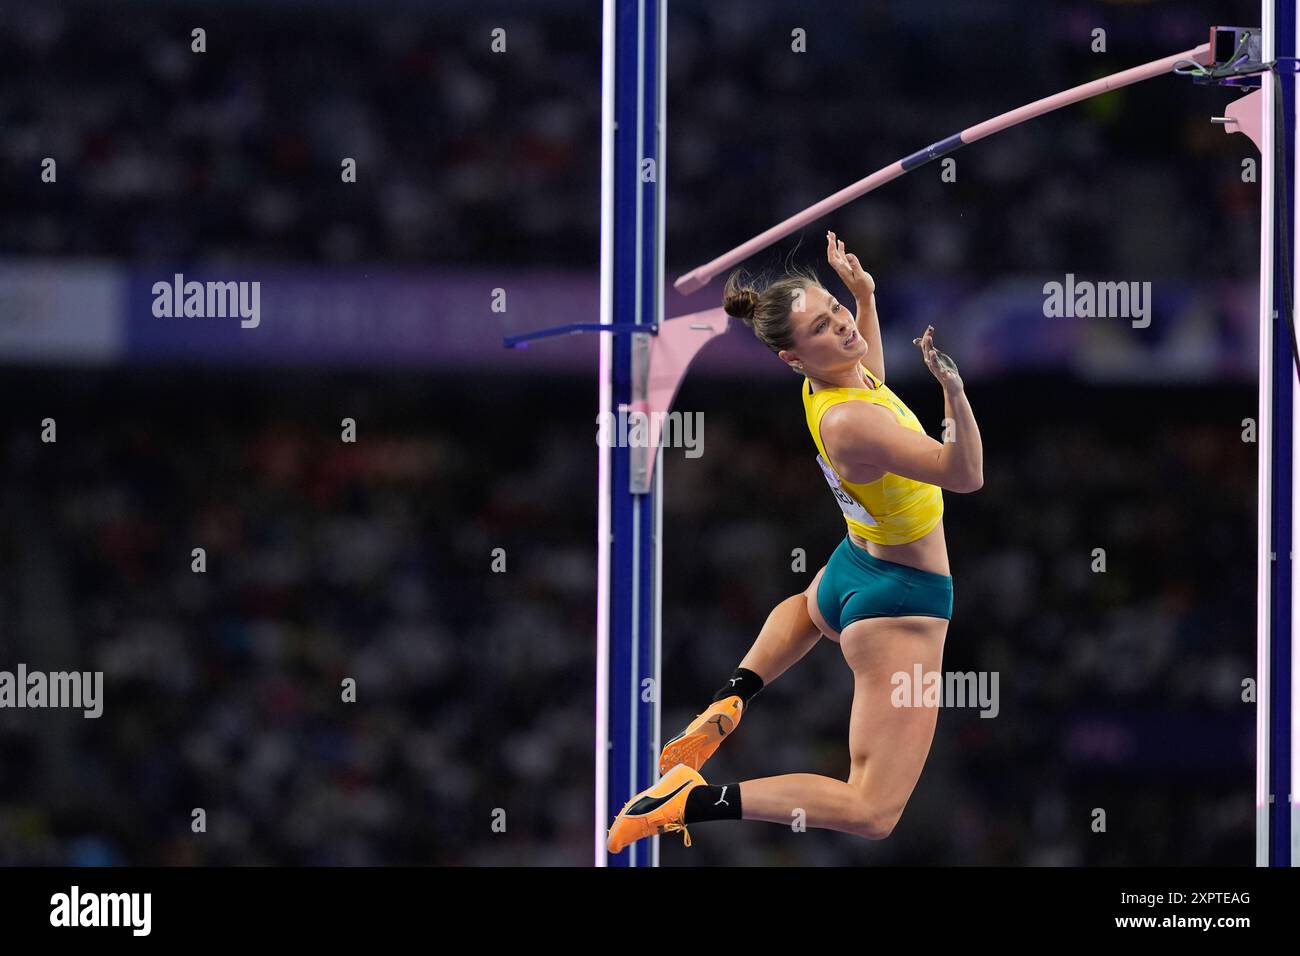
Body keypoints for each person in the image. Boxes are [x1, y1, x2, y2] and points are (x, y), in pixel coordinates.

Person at [607, 231, 983, 852]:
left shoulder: (831, 386)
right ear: (794, 358)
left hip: (853, 572)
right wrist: (956, 395)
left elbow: (877, 382)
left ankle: (734, 696)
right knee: (872, 808)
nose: (841, 328)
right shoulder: (849, 421)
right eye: (823, 328)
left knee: (812, 611)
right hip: (899, 604)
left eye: (835, 311)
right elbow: (965, 475)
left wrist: (863, 296)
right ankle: (691, 801)